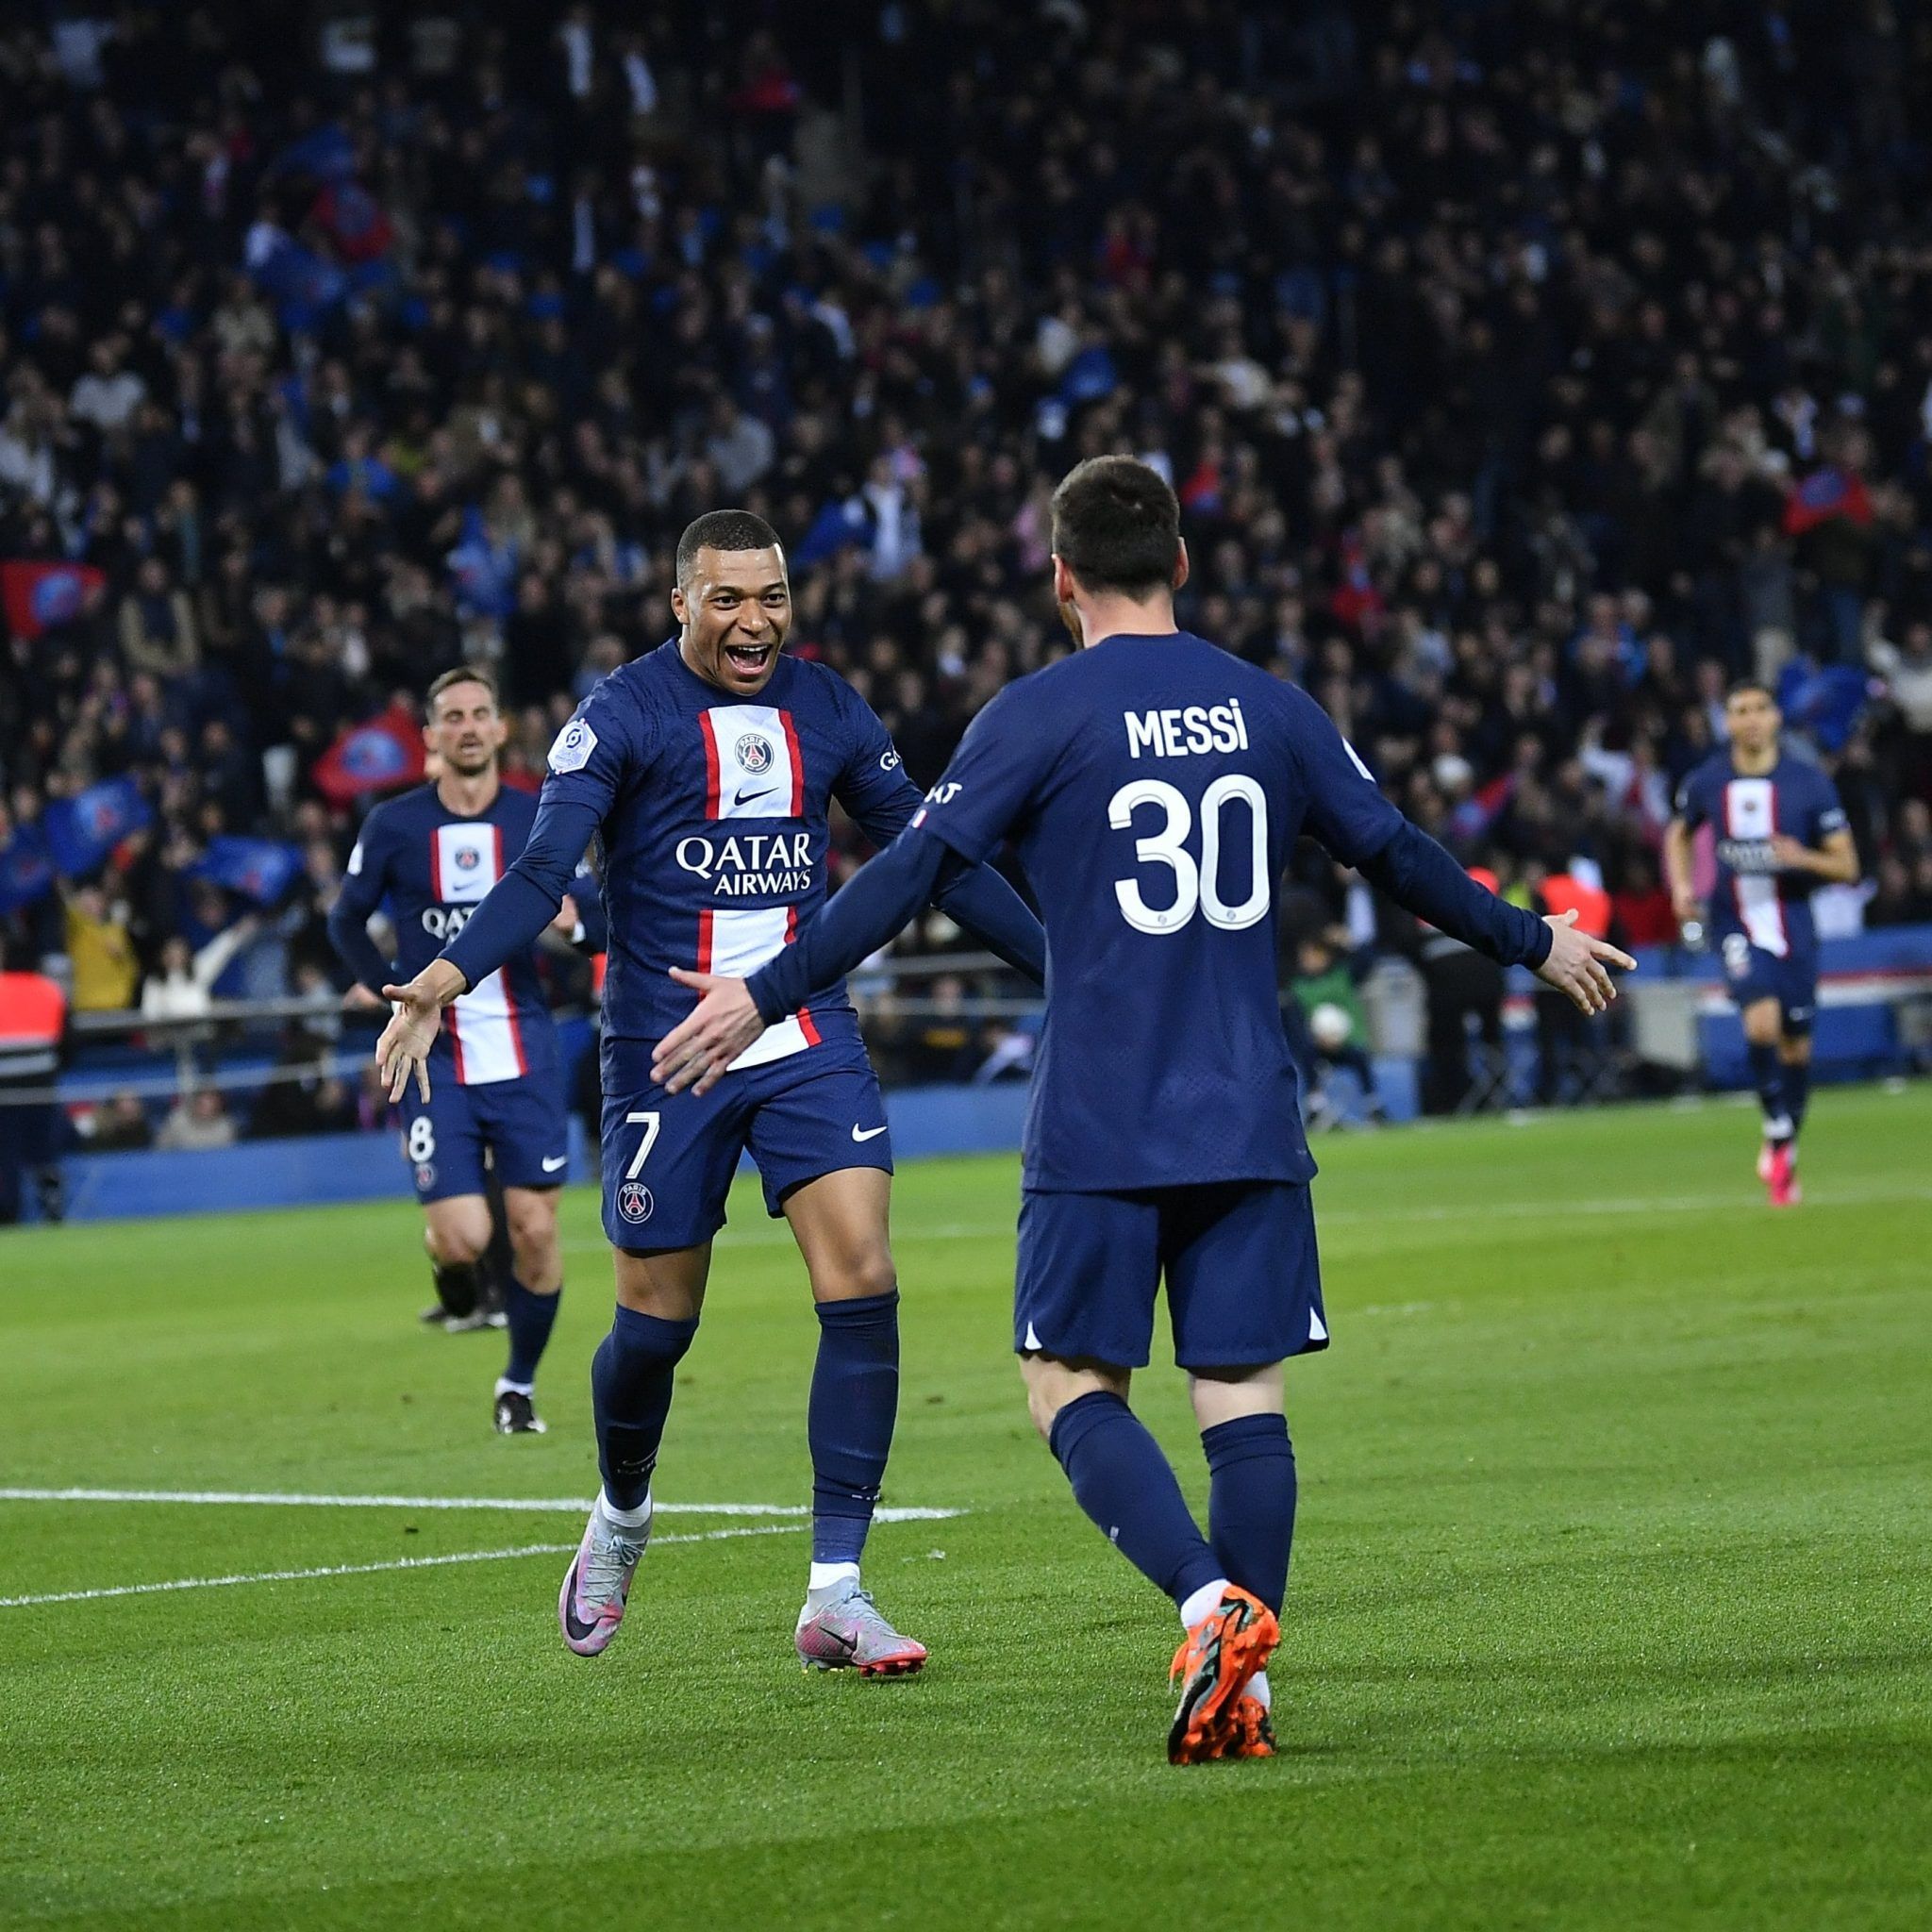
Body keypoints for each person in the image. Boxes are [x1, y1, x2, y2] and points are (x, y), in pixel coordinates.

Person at [647, 458, 1631, 1761]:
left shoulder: (1038, 715)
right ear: (1181, 564)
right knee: (1244, 1400)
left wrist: (762, 990)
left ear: (1061, 578)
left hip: (1104, 1117)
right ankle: (1251, 1676)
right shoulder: (1272, 707)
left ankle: (1208, 1603)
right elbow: (1395, 852)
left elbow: (911, 875)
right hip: (1248, 1115)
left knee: (1068, 1384)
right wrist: (1532, 940)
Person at [374, 510, 1047, 1674]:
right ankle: (621, 1516)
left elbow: (932, 856)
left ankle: (836, 1586)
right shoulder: (619, 716)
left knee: (863, 1270)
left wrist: (1071, 965)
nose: (754, 620)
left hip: (800, 1026)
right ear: (679, 603)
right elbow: (542, 870)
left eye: (772, 597)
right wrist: (441, 977)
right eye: (728, 599)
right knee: (652, 1328)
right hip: (661, 1049)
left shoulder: (830, 709)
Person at [330, 666, 606, 1432]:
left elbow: (600, 920)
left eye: (481, 713)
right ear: (431, 737)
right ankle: (451, 1272)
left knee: (537, 1234)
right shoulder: (392, 826)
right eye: (452, 716)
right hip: (435, 1057)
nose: (469, 727)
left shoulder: (538, 818)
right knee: (464, 1238)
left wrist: (568, 926)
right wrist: (389, 988)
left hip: (524, 1052)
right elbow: (345, 921)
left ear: (501, 726)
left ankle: (516, 1384)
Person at [1664, 679, 1859, 1206]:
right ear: (1727, 722)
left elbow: (1847, 865)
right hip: (1736, 922)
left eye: (1759, 709)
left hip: (1793, 924)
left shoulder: (1808, 784)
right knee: (1762, 1020)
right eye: (1739, 710)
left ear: (1776, 719)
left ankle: (1786, 1146)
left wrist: (1802, 858)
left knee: (1797, 1044)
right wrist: (1683, 886)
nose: (1750, 719)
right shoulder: (1708, 781)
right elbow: (1678, 832)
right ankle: (1776, 1127)